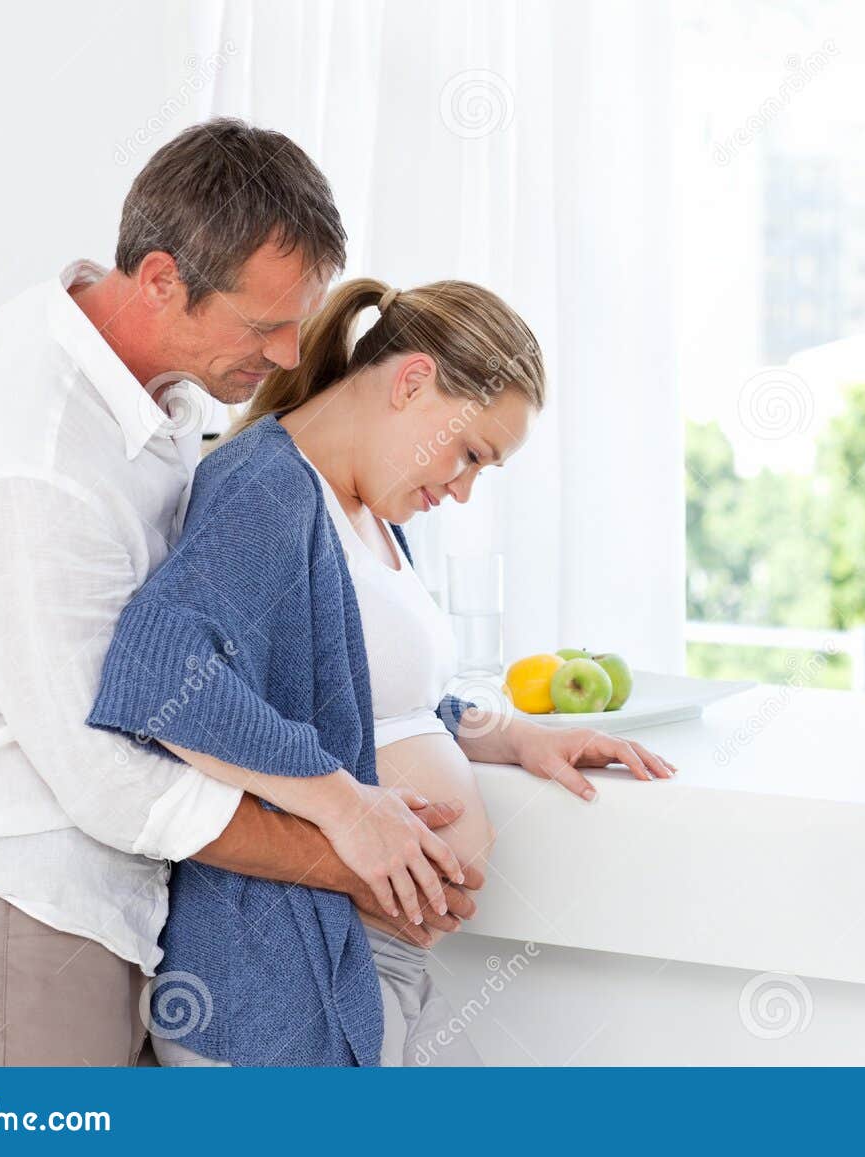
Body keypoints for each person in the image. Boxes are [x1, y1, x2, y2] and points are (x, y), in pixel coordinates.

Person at [0, 119, 479, 1066]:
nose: (285, 354)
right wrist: (349, 843)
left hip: (88, 920)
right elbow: (108, 774)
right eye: (264, 326)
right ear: (158, 280)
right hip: (9, 912)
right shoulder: (40, 458)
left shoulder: (160, 409)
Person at [87, 277, 677, 1066]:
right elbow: (161, 676)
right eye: (471, 453)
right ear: (412, 381)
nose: (464, 490)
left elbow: (388, 702)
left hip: (374, 960)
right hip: (278, 974)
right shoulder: (266, 488)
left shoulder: (377, 513)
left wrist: (515, 735)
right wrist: (348, 807)